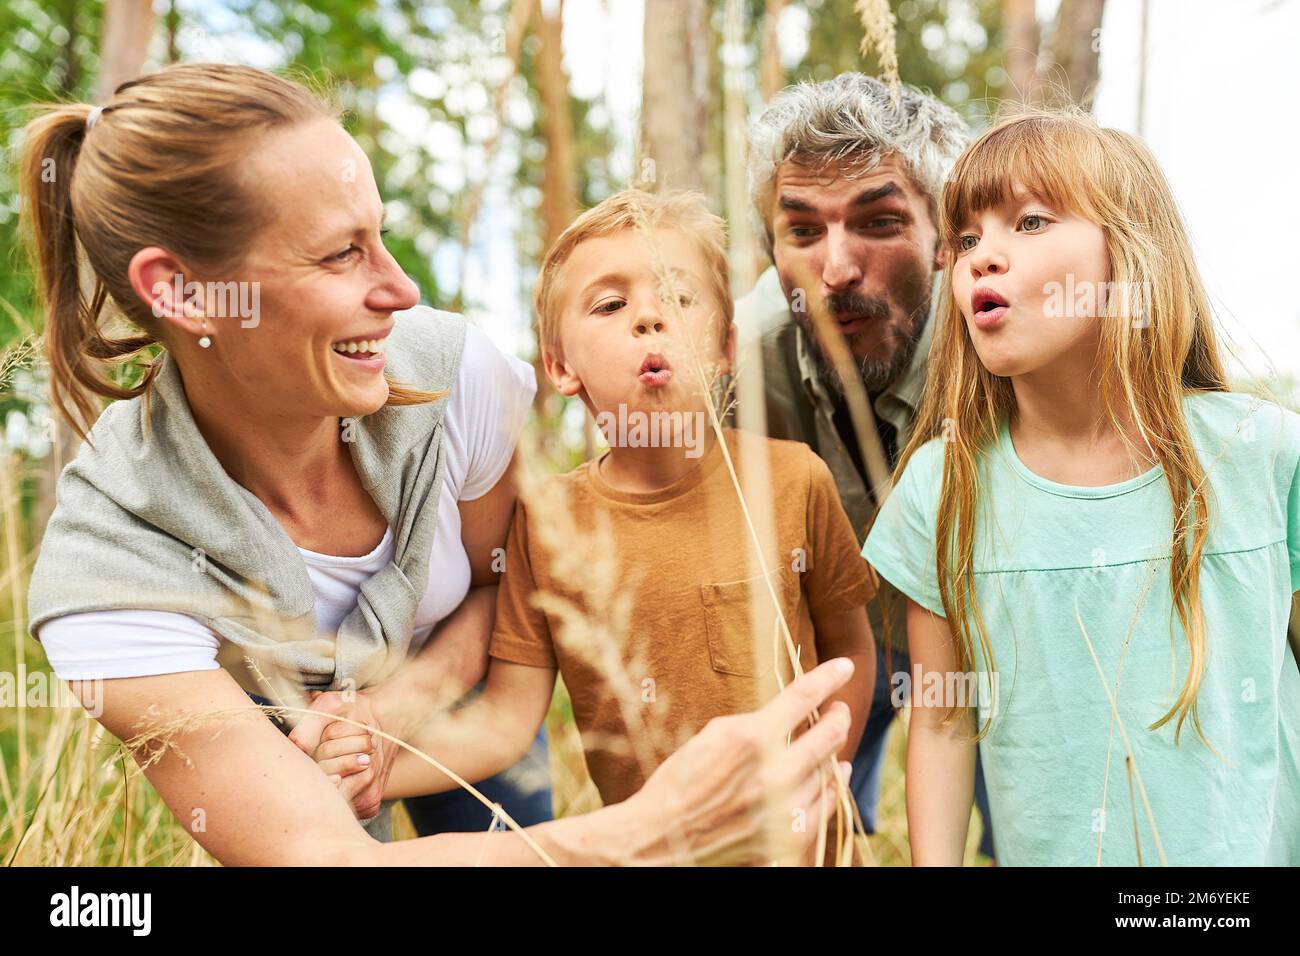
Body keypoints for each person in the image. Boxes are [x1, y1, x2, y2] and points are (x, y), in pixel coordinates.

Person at [20, 62, 858, 865]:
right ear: (185, 292)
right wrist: (647, 836)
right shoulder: (109, 568)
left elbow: (496, 580)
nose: (403, 291)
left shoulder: (451, 373)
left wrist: (390, 717)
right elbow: (321, 859)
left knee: (512, 831)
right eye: (341, 254)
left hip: (456, 704)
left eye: (378, 236)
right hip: (290, 764)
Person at [317, 189, 876, 863]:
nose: (648, 318)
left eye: (677, 297)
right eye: (611, 306)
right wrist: (373, 767)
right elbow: (503, 722)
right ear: (560, 367)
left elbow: (851, 653)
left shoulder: (794, 480)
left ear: (726, 348)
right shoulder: (549, 524)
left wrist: (816, 778)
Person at [862, 109, 1300, 865]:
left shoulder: (1260, 451)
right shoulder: (944, 488)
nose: (981, 258)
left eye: (1029, 222)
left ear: (1133, 255)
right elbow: (940, 721)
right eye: (965, 240)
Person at [733, 73, 995, 858]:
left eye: (878, 222)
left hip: (988, 639)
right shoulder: (742, 361)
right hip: (836, 640)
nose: (837, 270)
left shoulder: (1004, 342)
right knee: (806, 836)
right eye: (803, 232)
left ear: (948, 237)